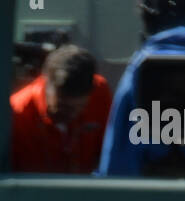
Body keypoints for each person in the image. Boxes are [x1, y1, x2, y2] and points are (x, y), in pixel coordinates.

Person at [10, 45, 112, 174]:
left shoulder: (100, 92)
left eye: (81, 106)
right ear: (45, 83)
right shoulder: (18, 114)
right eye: (64, 107)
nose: (74, 115)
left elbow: (109, 150)